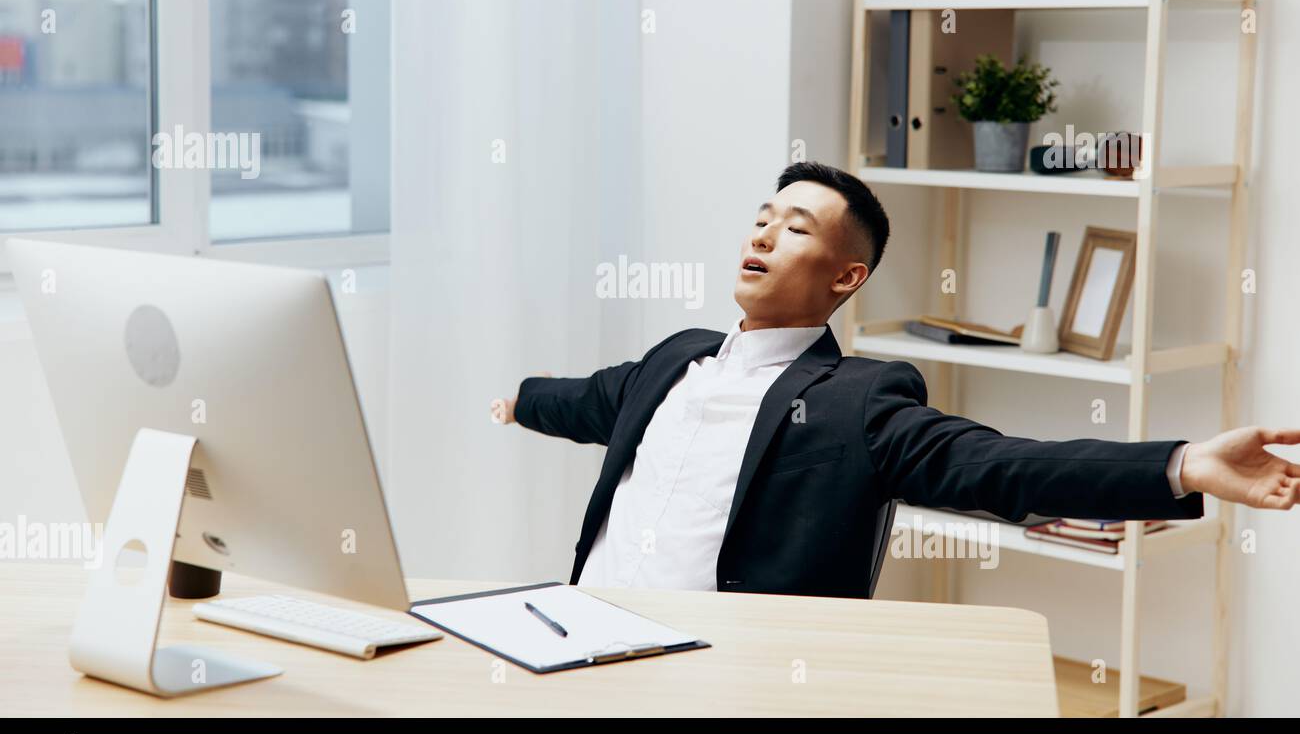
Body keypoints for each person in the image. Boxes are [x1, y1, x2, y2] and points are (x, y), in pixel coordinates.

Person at [490, 162, 1298, 598]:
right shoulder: (675, 358)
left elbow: (1001, 465)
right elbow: (589, 398)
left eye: (795, 226)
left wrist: (1183, 464)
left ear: (846, 278)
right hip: (584, 637)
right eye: (764, 217)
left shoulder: (859, 401)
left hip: (724, 669)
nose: (766, 231)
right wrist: (520, 400)